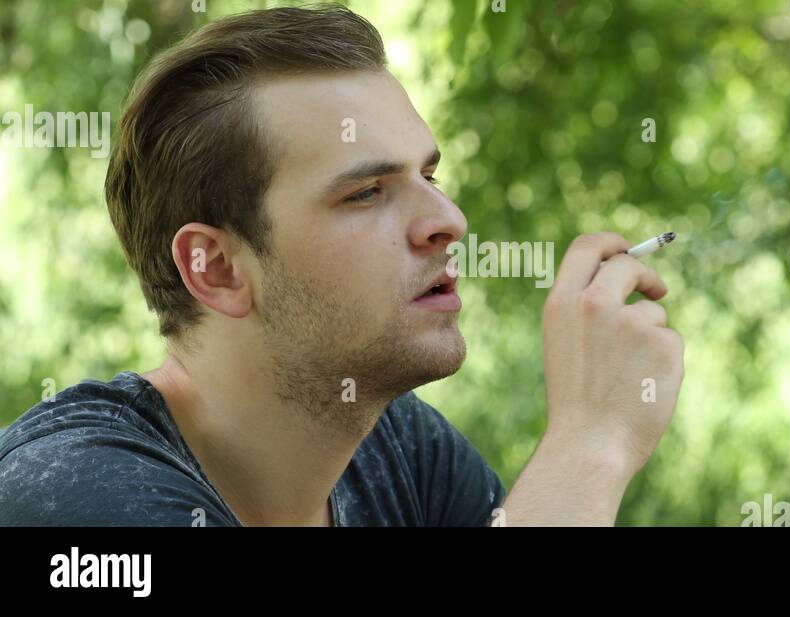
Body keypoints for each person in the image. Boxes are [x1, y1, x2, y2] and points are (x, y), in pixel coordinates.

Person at [0, 4, 684, 526]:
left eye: (429, 175)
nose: (448, 221)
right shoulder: (71, 494)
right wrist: (589, 445)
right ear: (216, 269)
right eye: (366, 192)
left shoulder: (401, 452)